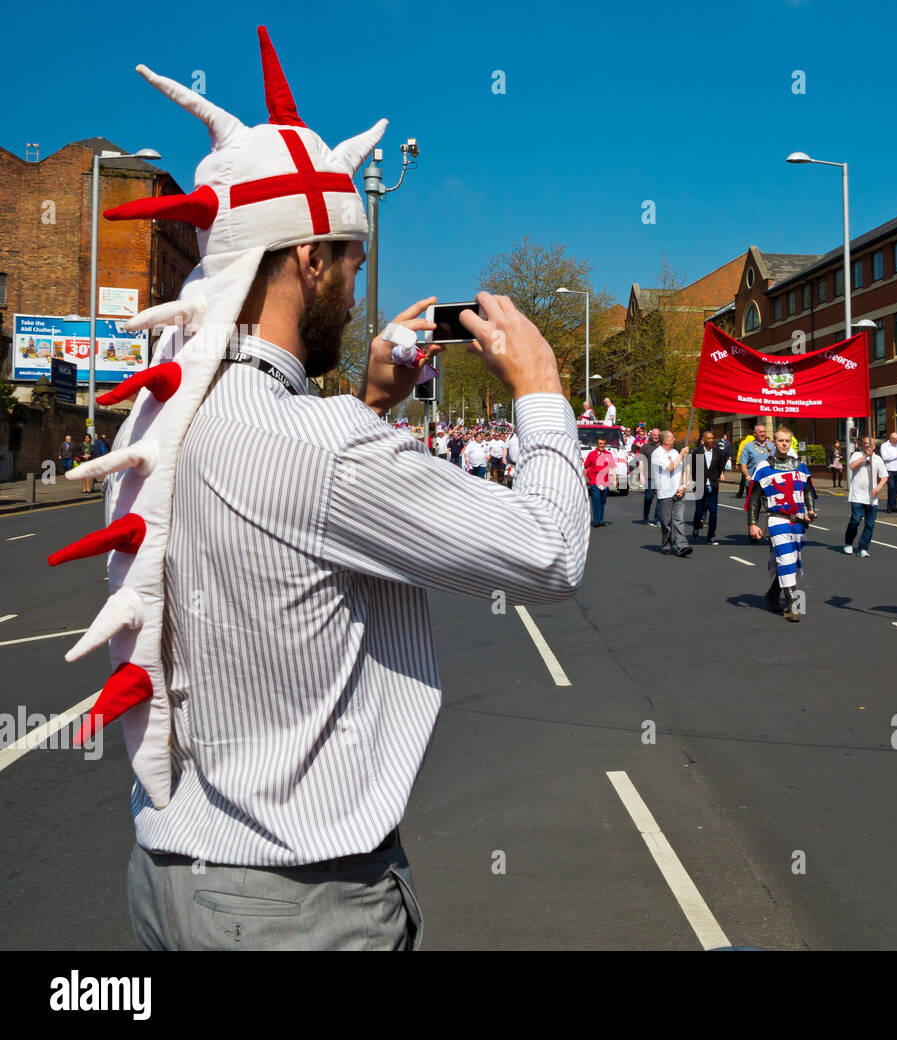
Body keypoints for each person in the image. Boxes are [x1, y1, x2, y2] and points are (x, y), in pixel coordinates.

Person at [71, 27, 588, 950]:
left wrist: (364, 404)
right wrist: (542, 393)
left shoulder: (166, 416)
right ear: (308, 259)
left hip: (166, 884)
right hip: (294, 912)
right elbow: (550, 551)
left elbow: (282, 493)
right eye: (348, 262)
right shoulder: (322, 445)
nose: (353, 291)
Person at [747, 426, 816, 621]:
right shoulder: (763, 467)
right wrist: (753, 523)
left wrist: (811, 510)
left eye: (787, 441)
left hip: (799, 519)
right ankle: (793, 607)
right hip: (777, 518)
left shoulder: (799, 465)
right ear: (773, 442)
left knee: (790, 562)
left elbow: (808, 489)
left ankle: (772, 594)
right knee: (786, 560)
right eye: (780, 441)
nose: (784, 444)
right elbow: (754, 498)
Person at [844, 434, 887, 557]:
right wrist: (864, 456)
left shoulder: (878, 459)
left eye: (869, 445)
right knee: (855, 520)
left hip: (872, 498)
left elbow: (884, 476)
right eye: (864, 444)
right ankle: (848, 543)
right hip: (857, 495)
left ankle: (863, 547)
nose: (867, 446)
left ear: (874, 446)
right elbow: (852, 466)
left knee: (870, 524)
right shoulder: (857, 455)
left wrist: (878, 488)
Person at [652, 431, 690, 555]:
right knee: (666, 522)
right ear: (666, 441)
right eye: (672, 438)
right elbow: (670, 467)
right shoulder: (657, 454)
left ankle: (681, 545)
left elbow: (684, 470)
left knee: (679, 520)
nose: (674, 440)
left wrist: (684, 486)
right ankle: (666, 544)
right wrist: (683, 453)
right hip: (665, 492)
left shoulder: (675, 453)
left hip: (679, 491)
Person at [689, 430, 726, 544]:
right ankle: (696, 527)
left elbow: (720, 465)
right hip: (700, 486)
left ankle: (711, 536)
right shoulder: (697, 452)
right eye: (708, 438)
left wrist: (721, 473)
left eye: (712, 438)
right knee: (699, 511)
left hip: (713, 485)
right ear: (703, 440)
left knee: (713, 512)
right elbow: (693, 468)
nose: (711, 440)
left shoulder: (717, 452)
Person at [738, 423, 774, 501]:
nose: (763, 434)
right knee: (753, 509)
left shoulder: (771, 446)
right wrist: (748, 477)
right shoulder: (748, 446)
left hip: (769, 483)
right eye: (760, 432)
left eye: (764, 432)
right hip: (753, 483)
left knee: (770, 510)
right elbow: (743, 463)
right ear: (755, 434)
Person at [585, 435, 615, 527]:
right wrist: (583, 479)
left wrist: (615, 479)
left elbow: (613, 467)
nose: (602, 445)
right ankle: (596, 520)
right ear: (597, 444)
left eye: (603, 444)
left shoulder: (608, 454)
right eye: (600, 444)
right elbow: (586, 467)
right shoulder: (592, 454)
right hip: (594, 480)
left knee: (603, 501)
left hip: (604, 481)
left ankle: (601, 519)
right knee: (596, 500)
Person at [879, 432, 897, 512]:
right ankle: (889, 506)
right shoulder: (884, 446)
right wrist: (896, 455)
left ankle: (894, 506)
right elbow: (885, 458)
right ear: (891, 439)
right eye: (896, 440)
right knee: (891, 487)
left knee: (896, 489)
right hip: (889, 469)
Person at [638, 428, 660, 524]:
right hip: (649, 476)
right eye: (654, 435)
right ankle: (646, 514)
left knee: (661, 498)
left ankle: (657, 519)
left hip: (661, 477)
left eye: (657, 435)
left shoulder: (664, 448)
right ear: (651, 436)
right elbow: (641, 461)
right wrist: (642, 475)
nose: (656, 436)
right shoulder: (645, 447)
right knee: (649, 497)